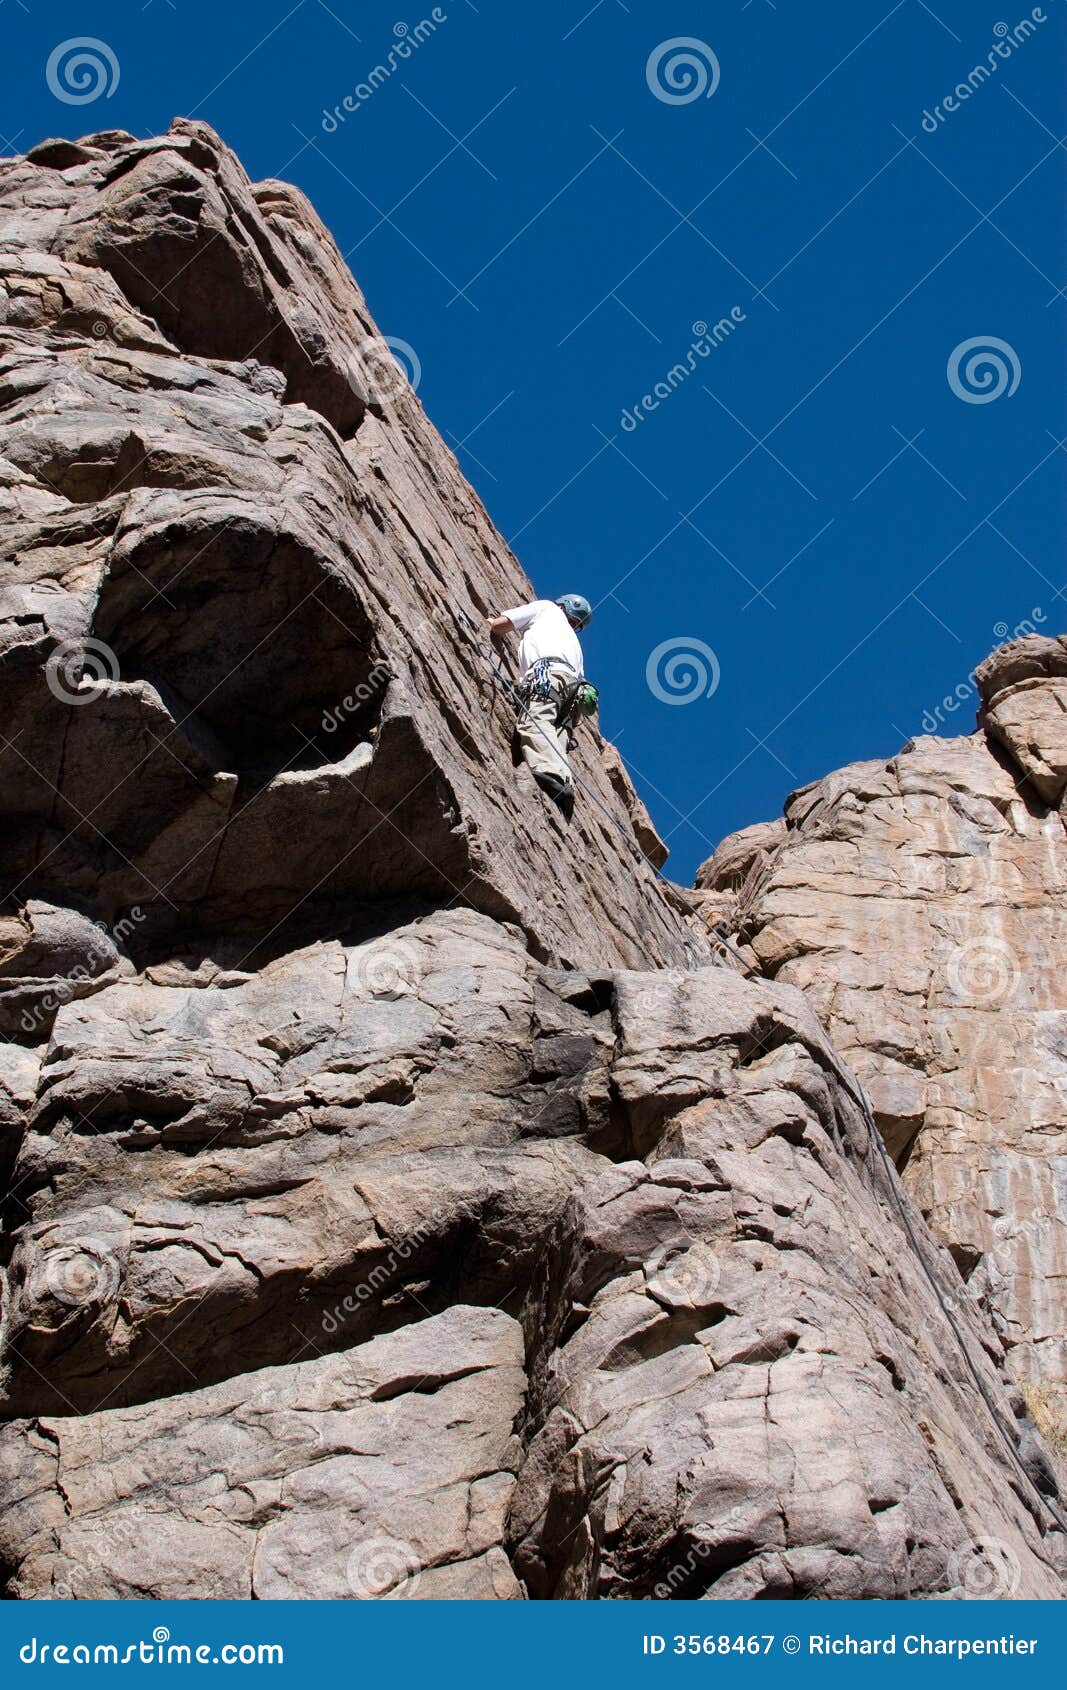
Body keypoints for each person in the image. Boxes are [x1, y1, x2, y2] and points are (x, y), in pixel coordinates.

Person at [486, 594, 592, 822]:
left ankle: (552, 777)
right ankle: (564, 784)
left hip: (549, 674)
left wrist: (492, 623)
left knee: (534, 723)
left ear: (561, 604)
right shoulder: (574, 643)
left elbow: (502, 625)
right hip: (575, 692)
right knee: (558, 738)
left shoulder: (545, 608)